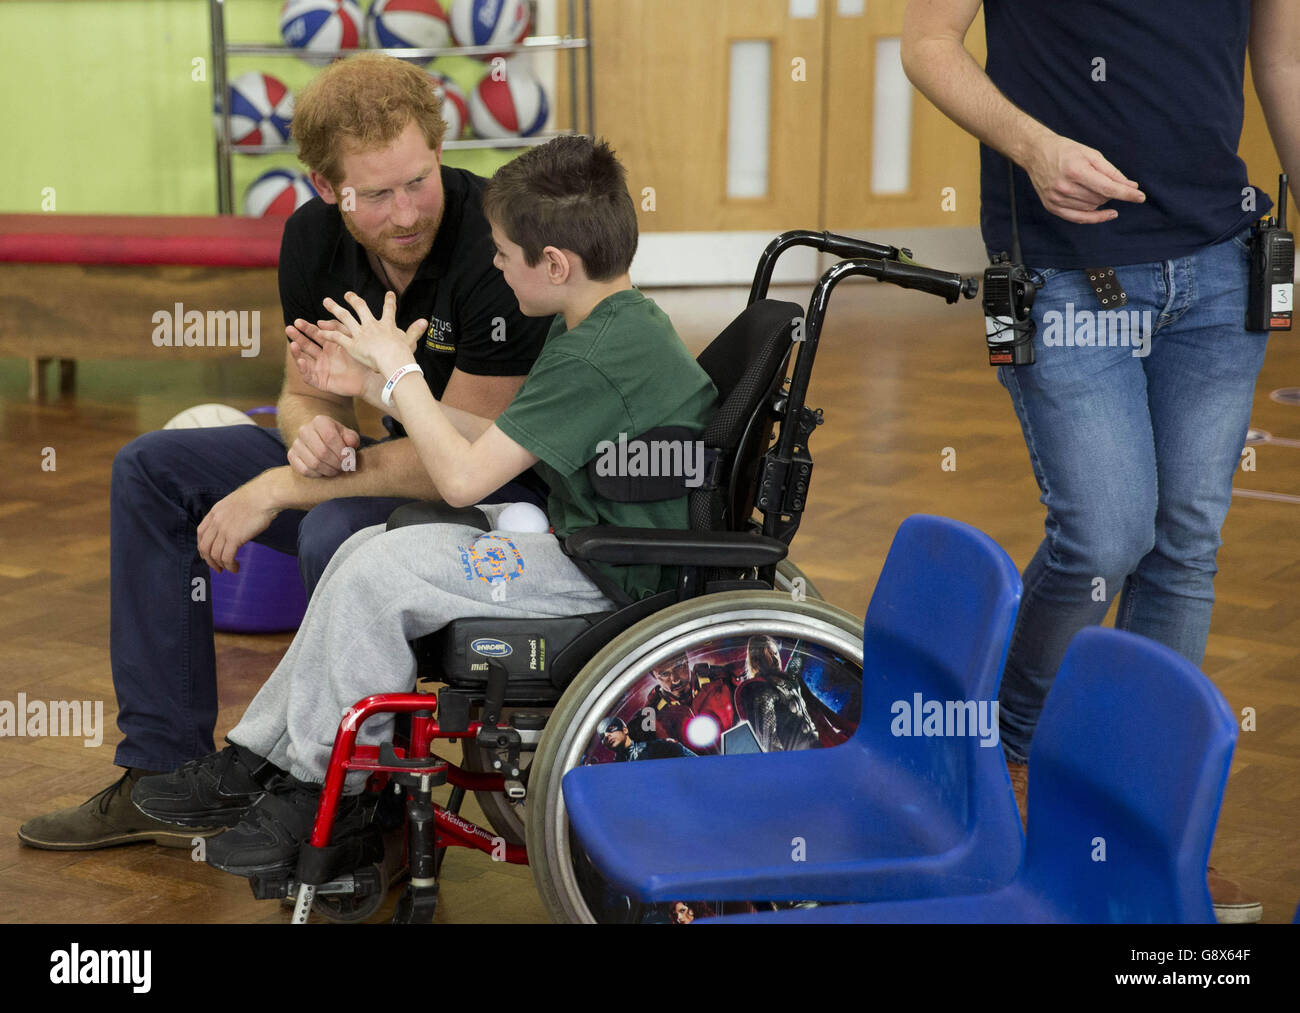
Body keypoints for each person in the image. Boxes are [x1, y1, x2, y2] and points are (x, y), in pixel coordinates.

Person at [130, 135, 718, 876]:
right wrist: (377, 383)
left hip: (613, 573)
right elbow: (489, 434)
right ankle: (259, 759)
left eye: (505, 254)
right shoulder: (609, 329)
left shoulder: (595, 354)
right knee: (357, 552)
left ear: (556, 266)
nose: (496, 264)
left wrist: (402, 369)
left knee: (379, 576)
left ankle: (326, 792)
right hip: (592, 547)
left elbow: (465, 477)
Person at [16, 55, 556, 852]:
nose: (406, 211)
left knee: (330, 527)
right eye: (376, 194)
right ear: (325, 186)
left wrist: (279, 483)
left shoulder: (494, 245)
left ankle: (356, 801)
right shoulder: (310, 240)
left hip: (490, 507)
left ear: (439, 151)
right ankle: (162, 774)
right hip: (380, 464)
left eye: (418, 179)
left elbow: (468, 459)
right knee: (151, 470)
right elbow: (305, 389)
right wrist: (308, 426)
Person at [901, 0, 1297, 922]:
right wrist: (1035, 146)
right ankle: (998, 756)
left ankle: (1143, 835)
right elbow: (927, 45)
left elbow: (1282, 66)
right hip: (1060, 269)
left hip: (1220, 265)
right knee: (1106, 530)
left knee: (1185, 544)